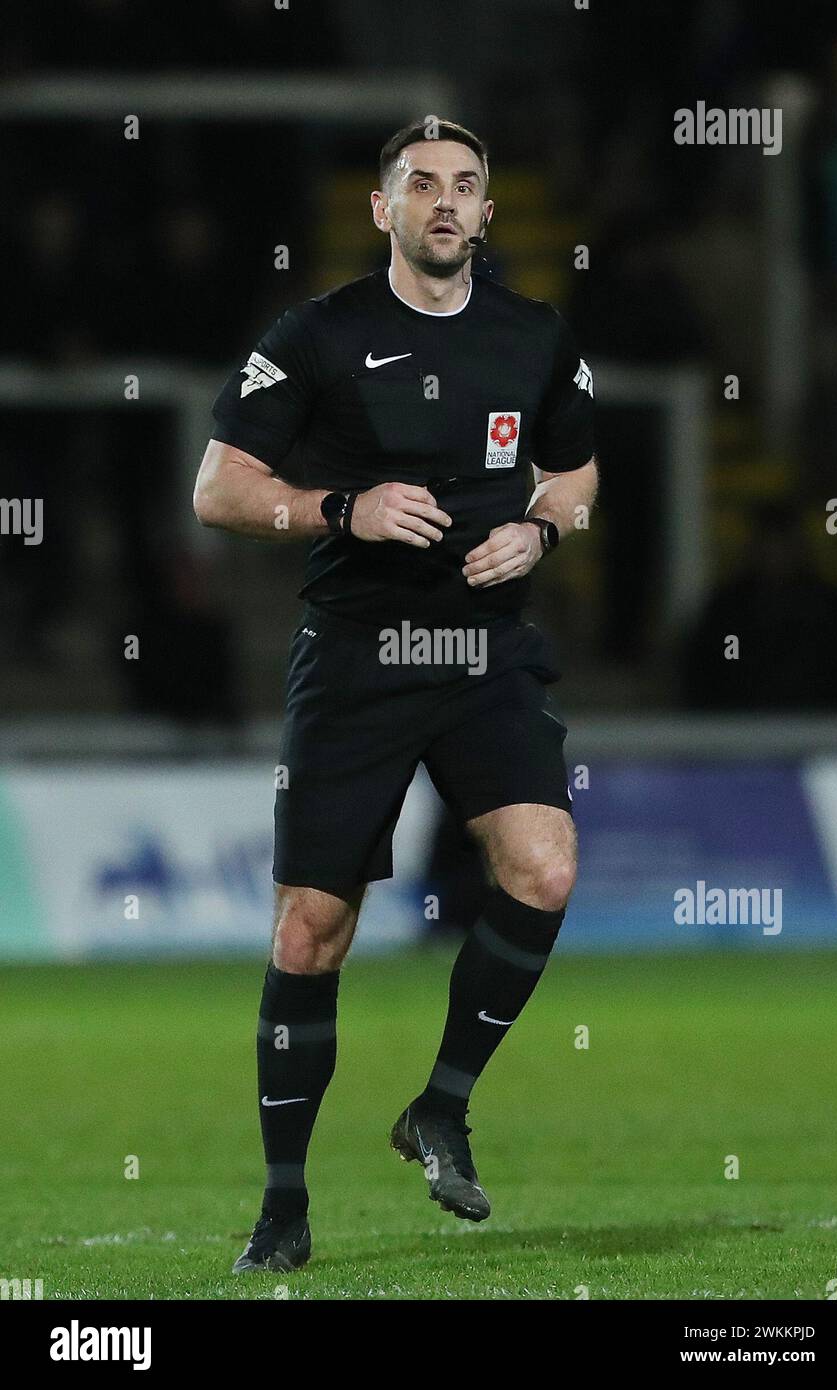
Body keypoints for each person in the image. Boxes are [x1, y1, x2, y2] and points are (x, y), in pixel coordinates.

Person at [193, 117, 598, 1272]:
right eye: (421, 184)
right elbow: (218, 489)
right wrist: (341, 509)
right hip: (360, 655)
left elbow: (574, 473)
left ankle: (442, 1105)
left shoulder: (532, 336)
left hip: (484, 650)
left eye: (466, 186)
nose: (444, 202)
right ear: (381, 209)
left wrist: (536, 529)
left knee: (546, 865)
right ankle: (282, 1204)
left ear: (485, 213)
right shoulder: (317, 335)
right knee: (313, 930)